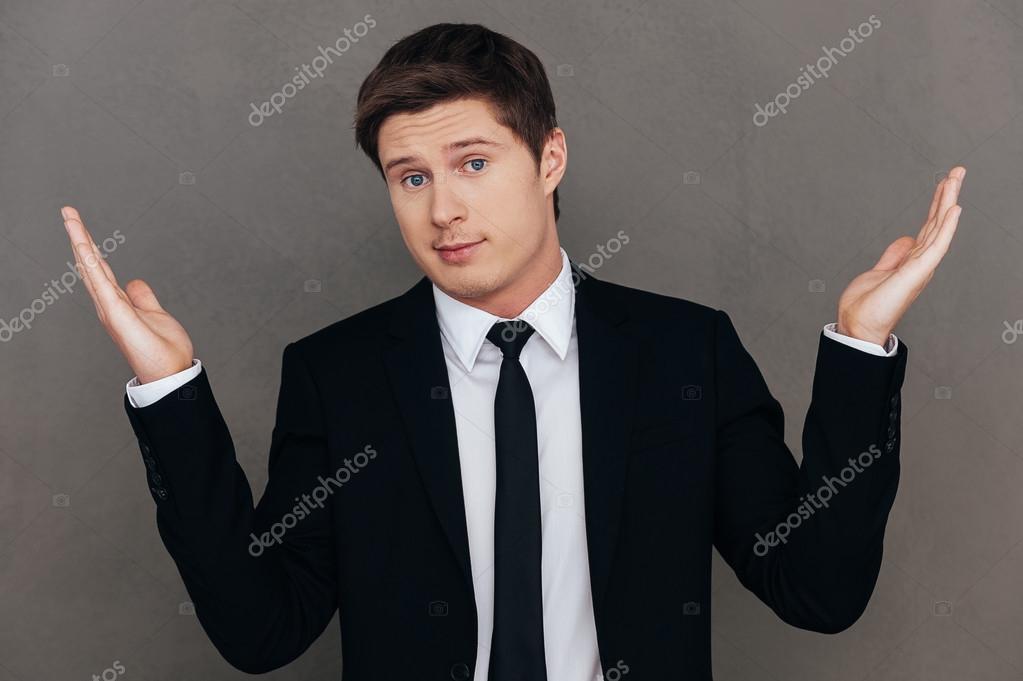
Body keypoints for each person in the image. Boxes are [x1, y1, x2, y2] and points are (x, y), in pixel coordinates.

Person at [61, 22, 964, 681]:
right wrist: (168, 389)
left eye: (473, 162)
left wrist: (861, 342)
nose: (441, 209)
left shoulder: (685, 352)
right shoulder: (338, 375)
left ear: (549, 159)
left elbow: (817, 587)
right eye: (410, 178)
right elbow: (262, 631)